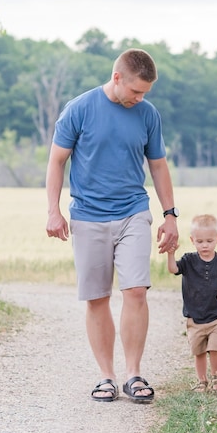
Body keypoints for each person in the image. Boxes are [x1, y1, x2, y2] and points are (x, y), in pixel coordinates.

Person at [45, 48, 179, 404]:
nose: (140, 98)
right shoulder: (79, 109)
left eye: (145, 92)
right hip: (88, 215)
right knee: (97, 297)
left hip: (133, 211)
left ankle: (134, 373)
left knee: (136, 291)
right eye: (135, 91)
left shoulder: (148, 115)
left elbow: (159, 166)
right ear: (117, 77)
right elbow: (57, 162)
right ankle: (107, 376)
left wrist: (170, 215)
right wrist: (53, 211)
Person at [167, 214, 217, 393]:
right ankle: (202, 381)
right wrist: (171, 254)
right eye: (200, 241)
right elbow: (173, 269)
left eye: (209, 241)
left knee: (215, 348)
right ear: (192, 240)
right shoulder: (188, 260)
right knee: (198, 351)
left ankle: (216, 377)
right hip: (195, 318)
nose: (205, 245)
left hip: (216, 316)